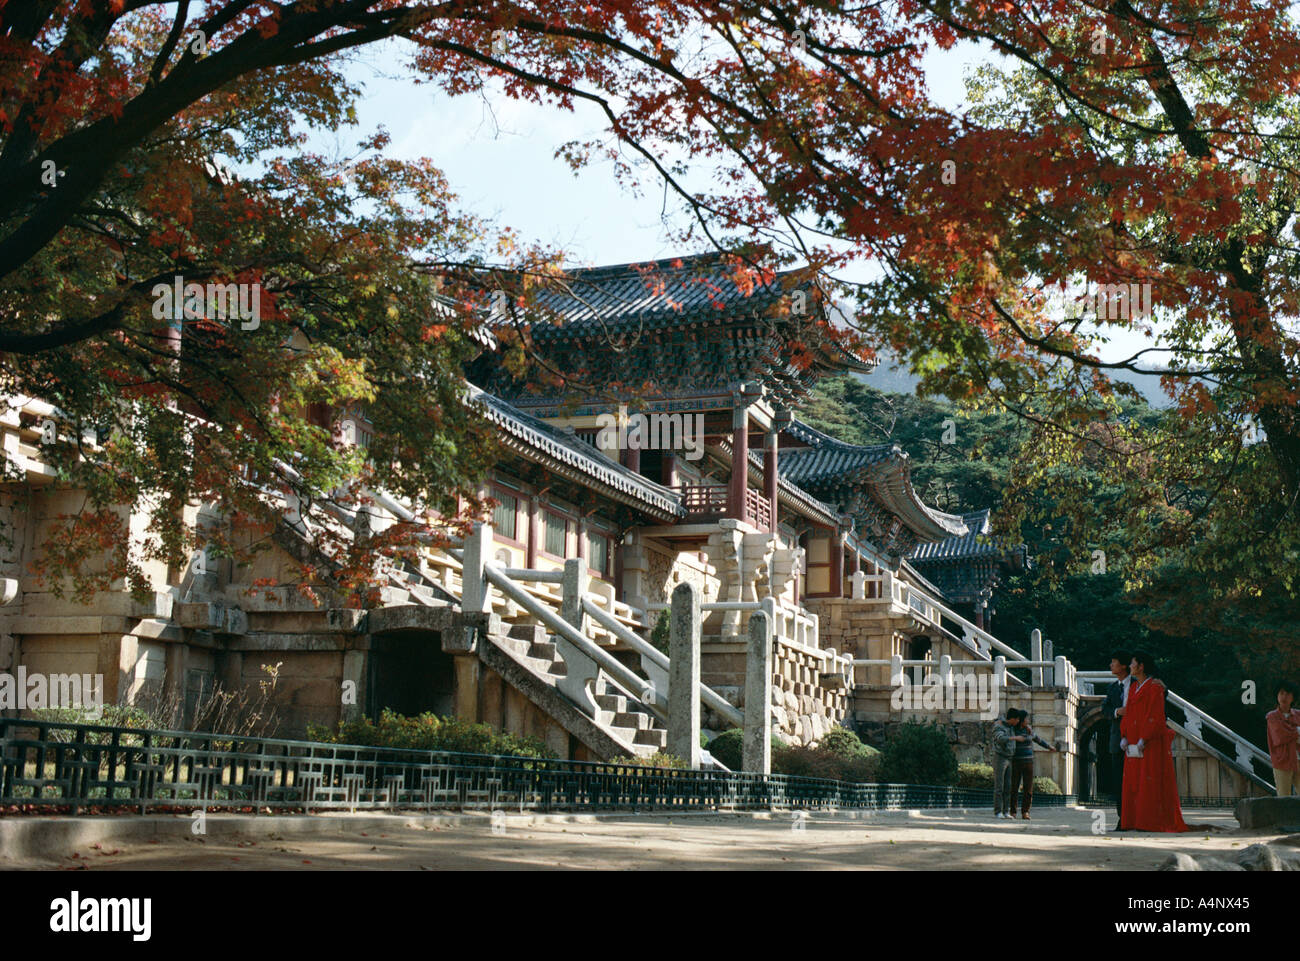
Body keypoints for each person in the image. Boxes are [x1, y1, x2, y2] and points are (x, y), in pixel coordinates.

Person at [1119, 652, 1188, 832]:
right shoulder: (1134, 688)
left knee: (1149, 781)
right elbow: (1129, 713)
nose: (1130, 665)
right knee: (1135, 781)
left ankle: (1149, 821)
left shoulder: (1155, 687)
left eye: (1133, 663)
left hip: (1150, 741)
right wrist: (1124, 735)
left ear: (1141, 666)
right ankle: (1135, 820)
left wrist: (1144, 737)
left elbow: (1155, 715)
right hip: (1134, 740)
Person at [1008, 708, 1061, 820]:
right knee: (1014, 787)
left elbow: (1038, 740)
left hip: (1029, 762)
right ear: (1021, 720)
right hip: (1016, 761)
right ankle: (1012, 811)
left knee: (1028, 788)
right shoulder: (1012, 730)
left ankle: (1025, 812)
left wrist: (1049, 747)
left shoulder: (1029, 731)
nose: (1028, 720)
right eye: (1026, 718)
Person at [1101, 650, 1134, 829]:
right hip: (1117, 740)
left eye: (1113, 662)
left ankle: (1138, 817)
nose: (1111, 665)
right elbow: (1104, 709)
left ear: (1123, 665)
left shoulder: (1138, 684)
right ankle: (1123, 819)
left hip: (1137, 739)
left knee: (1136, 781)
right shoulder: (1113, 687)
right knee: (1119, 783)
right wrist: (1116, 711)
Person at [1266, 681, 1299, 796]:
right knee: (1283, 797)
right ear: (1277, 696)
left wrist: (1290, 732)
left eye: (1287, 694)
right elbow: (1279, 737)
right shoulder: (1272, 716)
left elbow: (1286, 734)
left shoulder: (1298, 715)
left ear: (1293, 697)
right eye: (1281, 693)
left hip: (1298, 759)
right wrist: (1297, 731)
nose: (1284, 696)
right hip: (1282, 761)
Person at [991, 708, 1019, 819]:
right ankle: (998, 811)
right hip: (1000, 757)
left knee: (1008, 786)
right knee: (999, 786)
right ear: (1012, 719)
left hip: (1009, 757)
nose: (1018, 722)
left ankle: (1005, 811)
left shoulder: (1011, 727)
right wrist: (1014, 738)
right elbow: (1000, 738)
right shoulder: (999, 726)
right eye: (1017, 719)